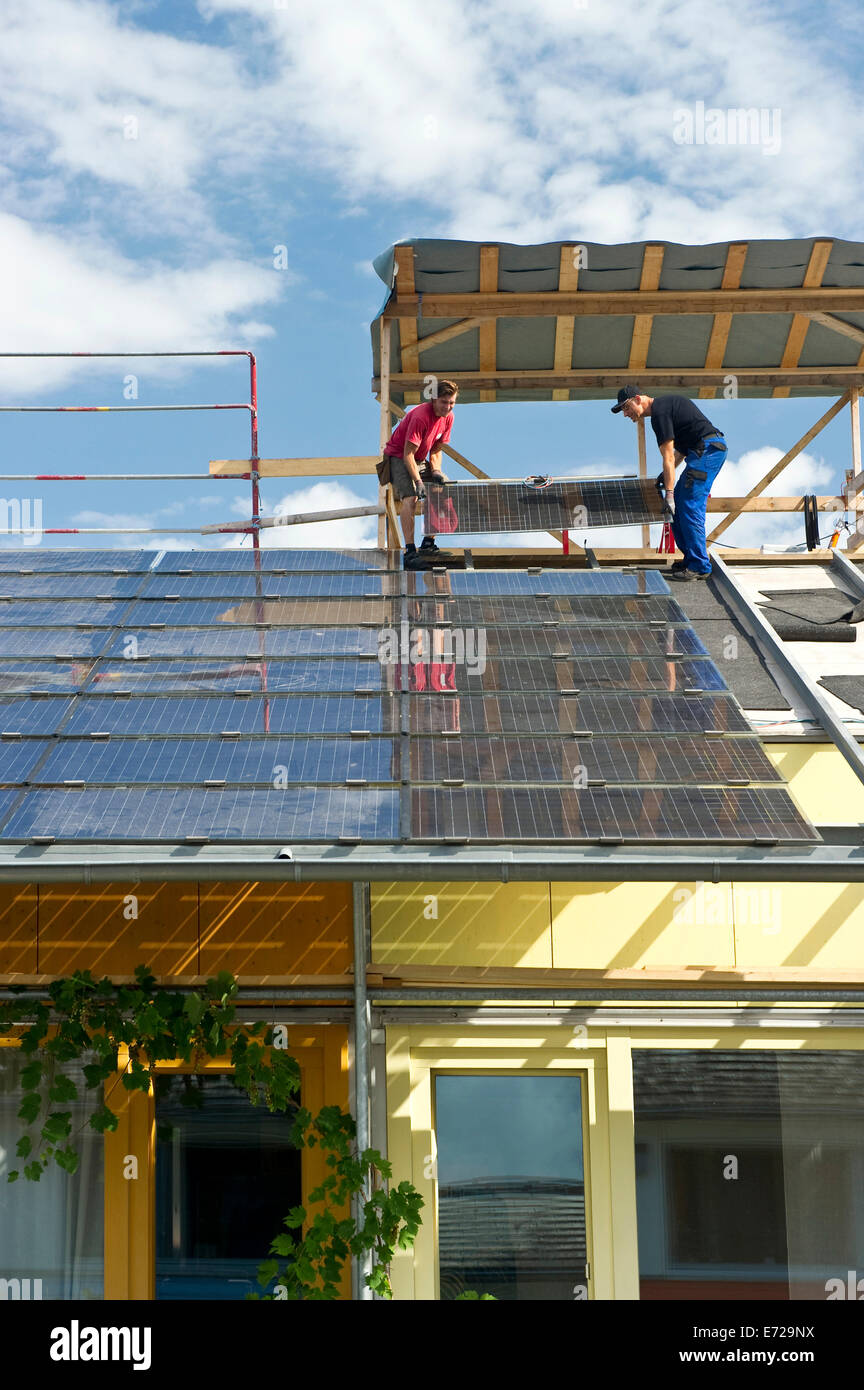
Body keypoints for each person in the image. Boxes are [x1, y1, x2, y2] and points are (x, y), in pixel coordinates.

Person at [611, 384, 728, 581]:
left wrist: (670, 494)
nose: (625, 414)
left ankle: (700, 566)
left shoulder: (660, 414)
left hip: (708, 451)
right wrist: (665, 478)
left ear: (638, 399)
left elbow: (668, 458)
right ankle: (691, 559)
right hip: (702, 451)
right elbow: (680, 450)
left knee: (689, 505)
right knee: (677, 508)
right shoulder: (666, 408)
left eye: (626, 407)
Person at [378, 381, 458, 570]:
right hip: (398, 457)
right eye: (444, 402)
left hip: (420, 458)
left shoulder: (449, 418)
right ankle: (410, 551)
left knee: (443, 489)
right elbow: (407, 455)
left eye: (452, 403)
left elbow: (437, 448)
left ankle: (428, 544)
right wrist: (418, 481)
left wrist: (436, 471)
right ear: (434, 400)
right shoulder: (421, 417)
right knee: (411, 497)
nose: (448, 407)